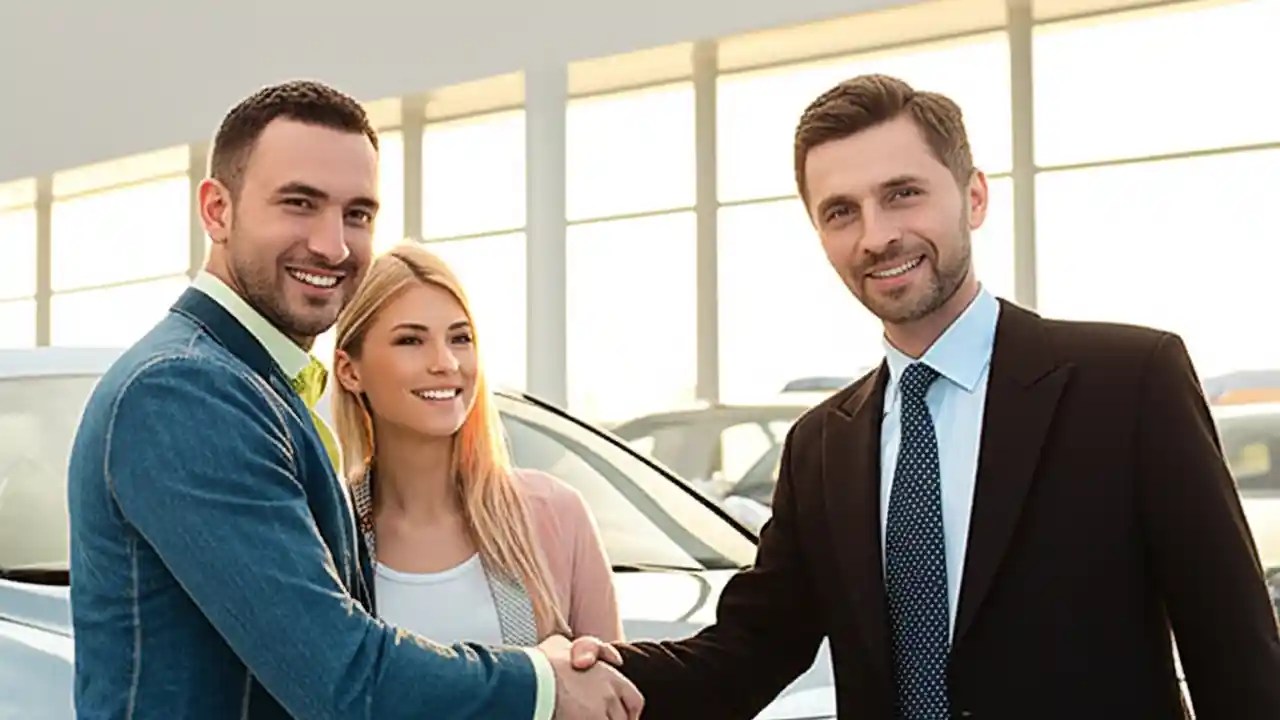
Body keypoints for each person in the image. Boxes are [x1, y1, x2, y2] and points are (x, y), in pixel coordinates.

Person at [570, 73, 1280, 718]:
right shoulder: (822, 445)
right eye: (841, 211)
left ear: (973, 196)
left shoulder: (1128, 382)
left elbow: (1236, 654)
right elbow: (750, 650)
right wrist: (584, 674)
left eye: (902, 194)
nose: (877, 235)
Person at [66, 80, 641, 720]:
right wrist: (543, 681)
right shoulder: (182, 389)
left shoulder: (249, 381)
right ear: (217, 210)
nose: (332, 245)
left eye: (357, 214)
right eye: (299, 203)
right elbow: (341, 676)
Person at [329, 241, 624, 647]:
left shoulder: (555, 514)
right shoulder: (325, 531)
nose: (446, 363)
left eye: (460, 338)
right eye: (411, 341)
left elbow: (615, 700)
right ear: (349, 371)